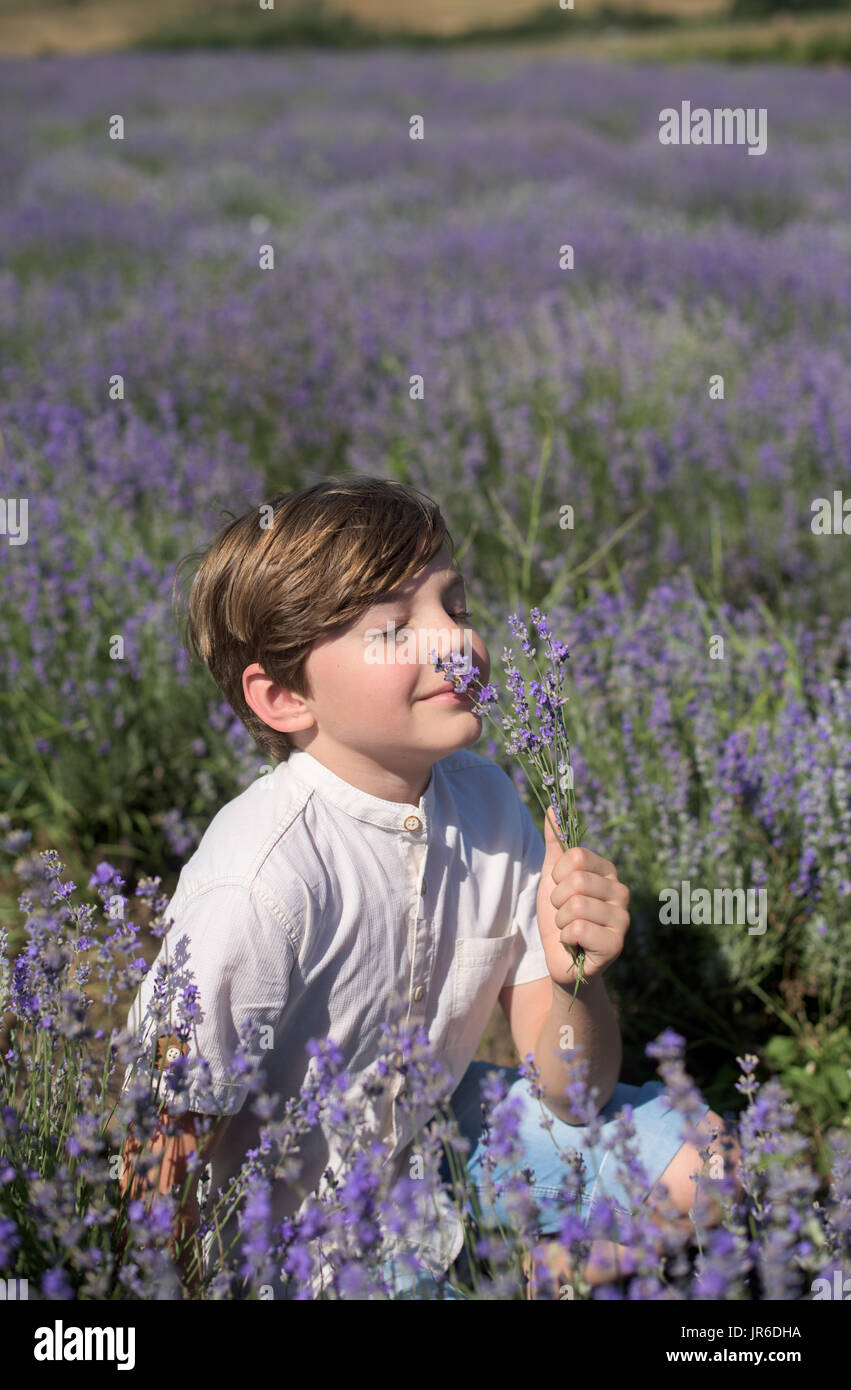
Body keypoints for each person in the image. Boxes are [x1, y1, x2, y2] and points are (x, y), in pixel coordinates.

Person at [119, 475, 740, 1299]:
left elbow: (572, 1093)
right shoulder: (261, 880)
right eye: (393, 628)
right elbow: (162, 1140)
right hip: (295, 1234)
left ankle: (541, 1270)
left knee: (709, 1163)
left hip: (426, 1140)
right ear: (283, 696)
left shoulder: (485, 798)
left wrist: (571, 982)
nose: (452, 641)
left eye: (456, 605)